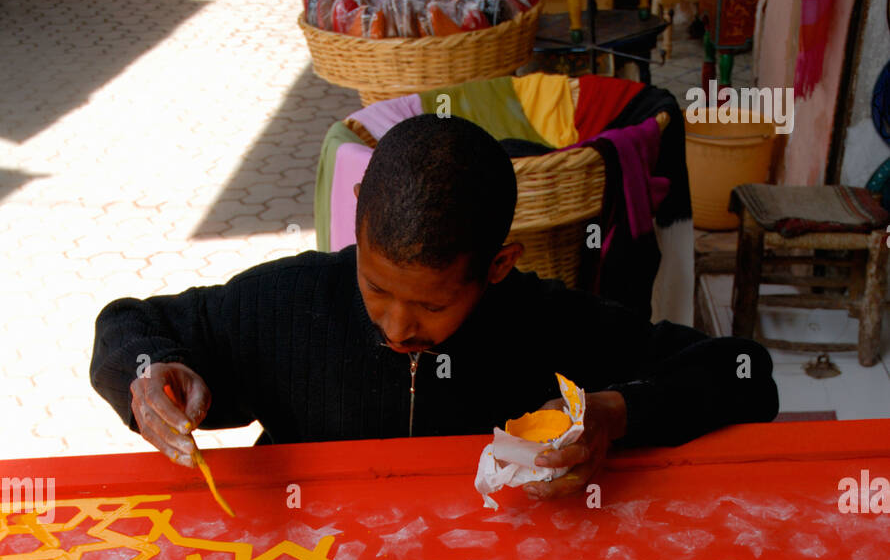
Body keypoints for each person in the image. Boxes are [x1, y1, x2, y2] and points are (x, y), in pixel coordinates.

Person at [90, 113, 778, 500]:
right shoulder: (284, 305)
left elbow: (746, 375)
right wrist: (151, 376)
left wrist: (614, 413)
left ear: (497, 266)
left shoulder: (543, 324)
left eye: (432, 304)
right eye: (376, 287)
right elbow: (130, 326)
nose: (396, 327)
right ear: (356, 225)